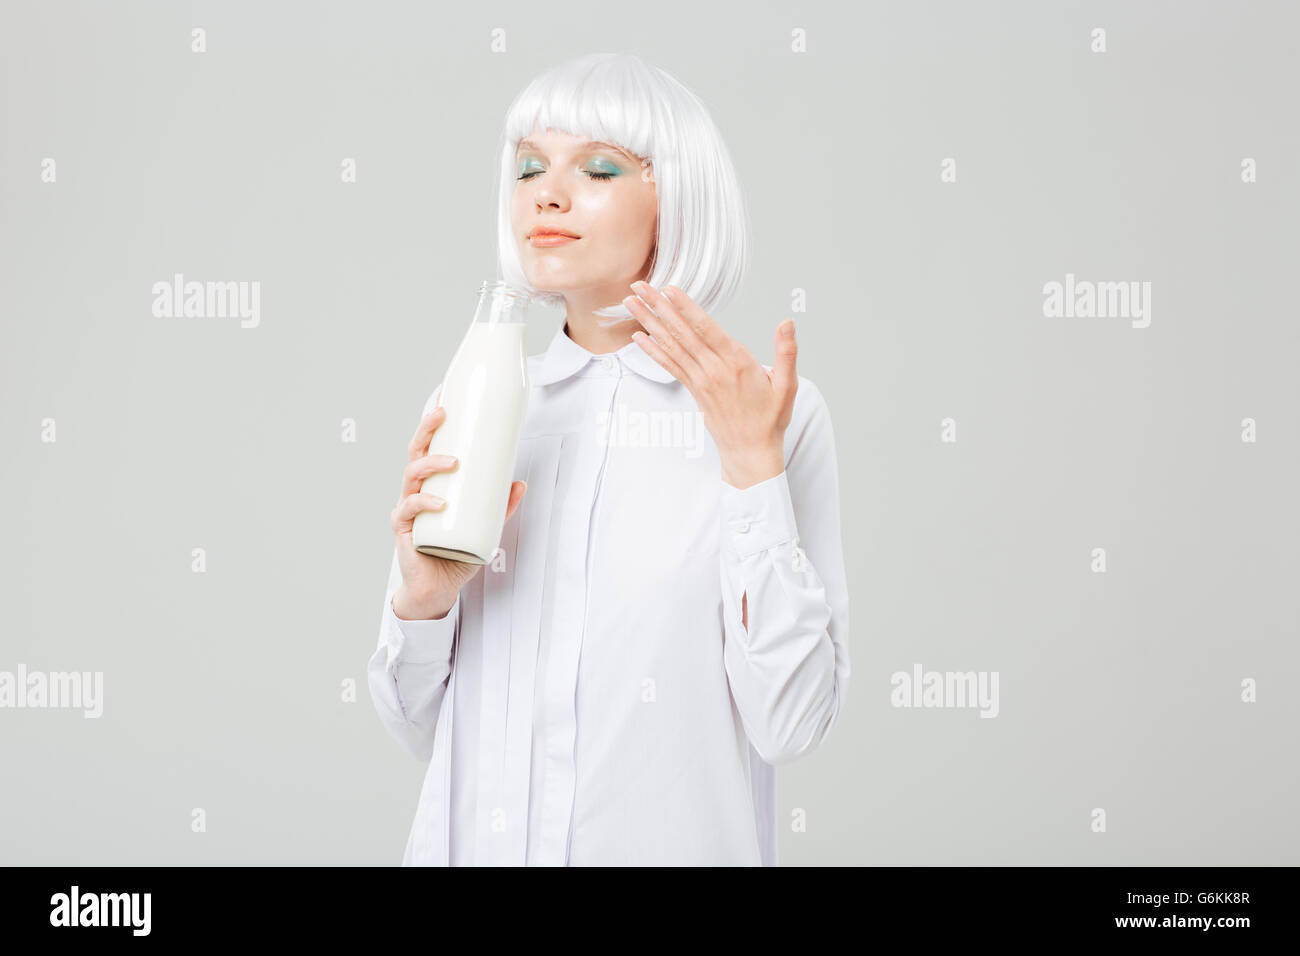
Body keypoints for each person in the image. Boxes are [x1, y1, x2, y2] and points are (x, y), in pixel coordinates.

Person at [368, 52, 850, 866]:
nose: (546, 194)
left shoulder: (770, 414)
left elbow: (791, 722)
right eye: (528, 168)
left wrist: (752, 473)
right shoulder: (479, 399)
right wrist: (424, 604)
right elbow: (416, 726)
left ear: (680, 198)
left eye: (597, 168)